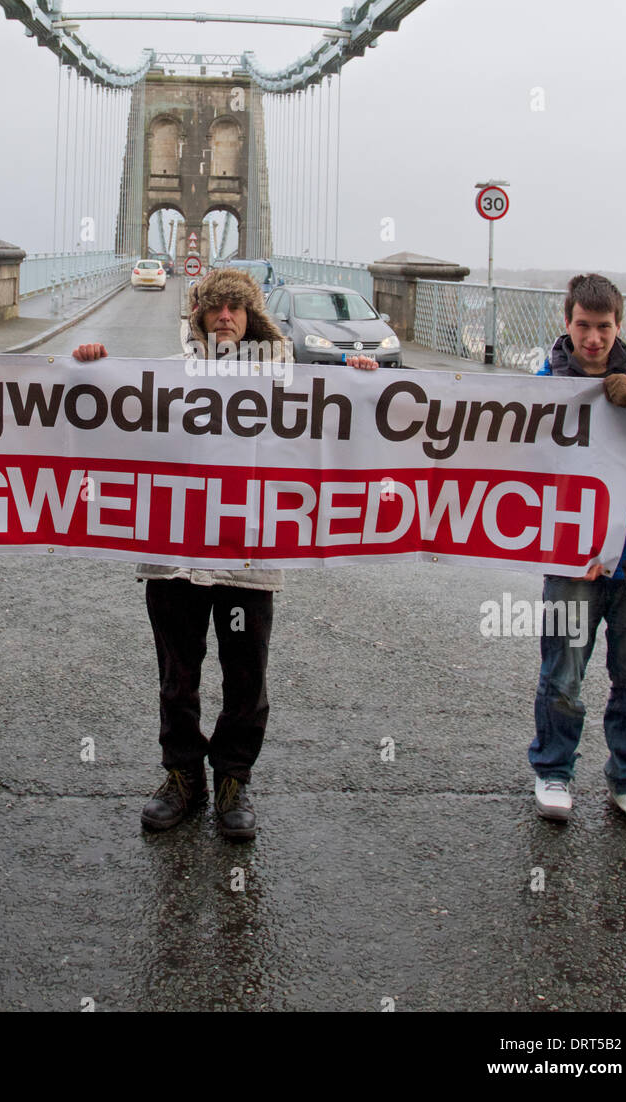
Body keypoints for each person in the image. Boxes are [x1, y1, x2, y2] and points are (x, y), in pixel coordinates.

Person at [74, 265, 378, 841]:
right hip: (173, 553)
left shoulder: (286, 378)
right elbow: (101, 414)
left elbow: (341, 424)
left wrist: (359, 379)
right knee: (177, 674)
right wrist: (91, 365)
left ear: (252, 314)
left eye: (236, 307)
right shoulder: (165, 376)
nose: (225, 316)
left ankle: (233, 778)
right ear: (199, 315)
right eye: (215, 307)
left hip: (249, 553)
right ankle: (182, 776)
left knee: (246, 675)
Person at [530, 272, 626, 834]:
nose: (594, 338)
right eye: (584, 326)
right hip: (571, 553)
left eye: (604, 327)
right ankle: (553, 771)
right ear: (567, 323)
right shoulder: (543, 386)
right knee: (562, 673)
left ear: (620, 326)